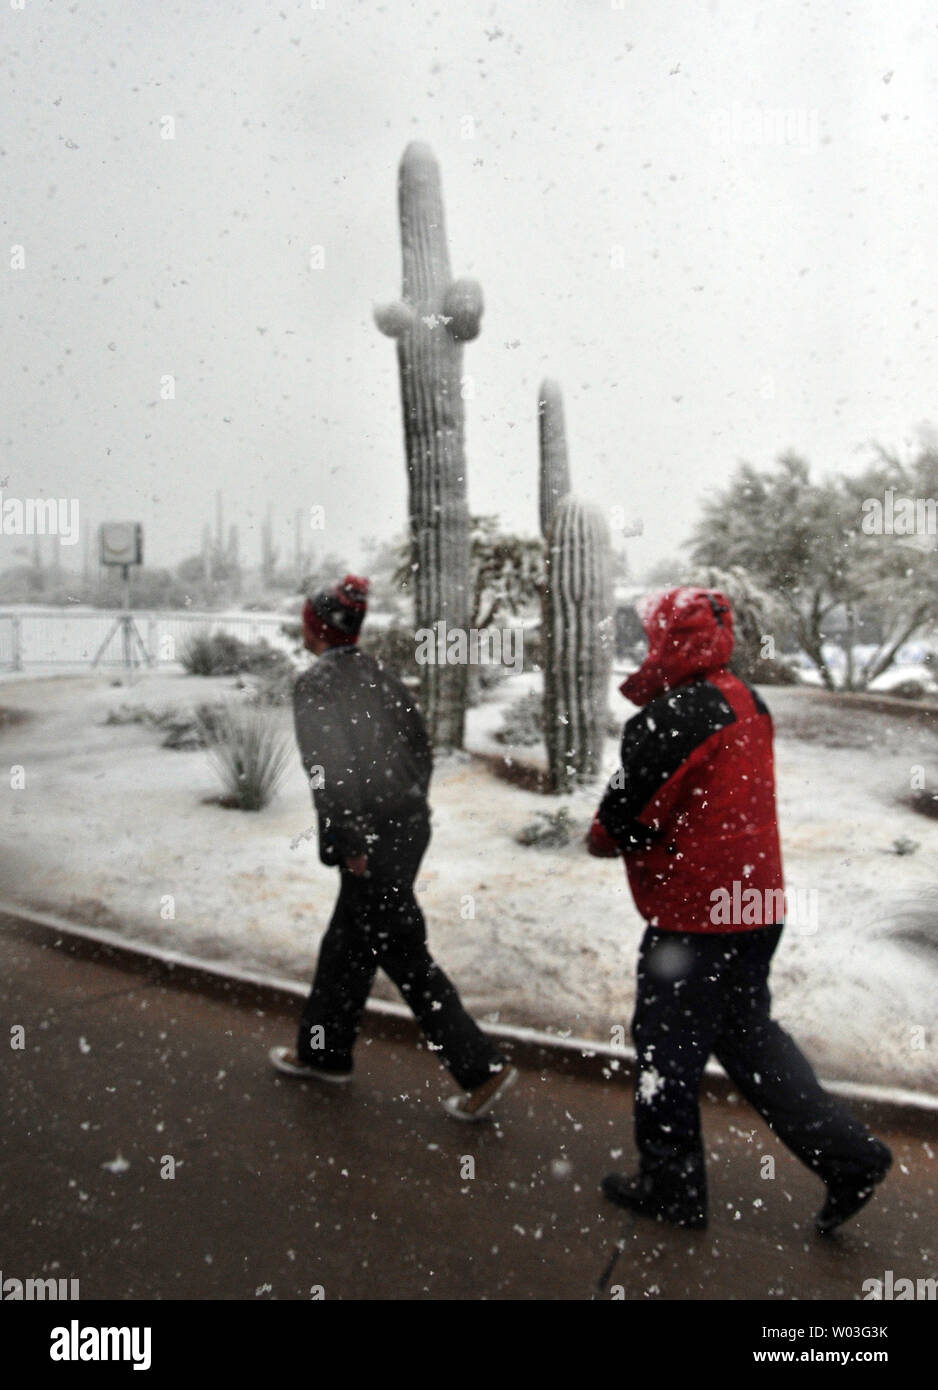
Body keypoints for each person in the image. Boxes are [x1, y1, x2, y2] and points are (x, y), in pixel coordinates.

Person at [586, 586, 891, 1233]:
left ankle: (671, 1187)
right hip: (756, 903)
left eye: (653, 635)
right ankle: (850, 1157)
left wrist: (602, 836)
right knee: (748, 1036)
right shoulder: (747, 700)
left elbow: (621, 822)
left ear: (672, 641)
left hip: (698, 918)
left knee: (665, 1054)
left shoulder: (671, 718)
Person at [269, 574, 517, 1122]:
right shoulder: (382, 675)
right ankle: (324, 1052)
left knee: (401, 950)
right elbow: (421, 754)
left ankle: (481, 1068)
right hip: (405, 827)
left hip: (371, 838)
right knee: (348, 943)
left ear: (316, 628)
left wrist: (353, 840)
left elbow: (328, 771)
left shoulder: (317, 685)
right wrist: (405, 811)